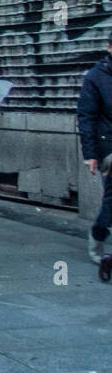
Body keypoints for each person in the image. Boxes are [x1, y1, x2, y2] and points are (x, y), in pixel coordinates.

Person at [79, 36, 112, 265]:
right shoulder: (96, 76)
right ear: (109, 47)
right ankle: (99, 233)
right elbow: (87, 116)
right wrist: (90, 153)